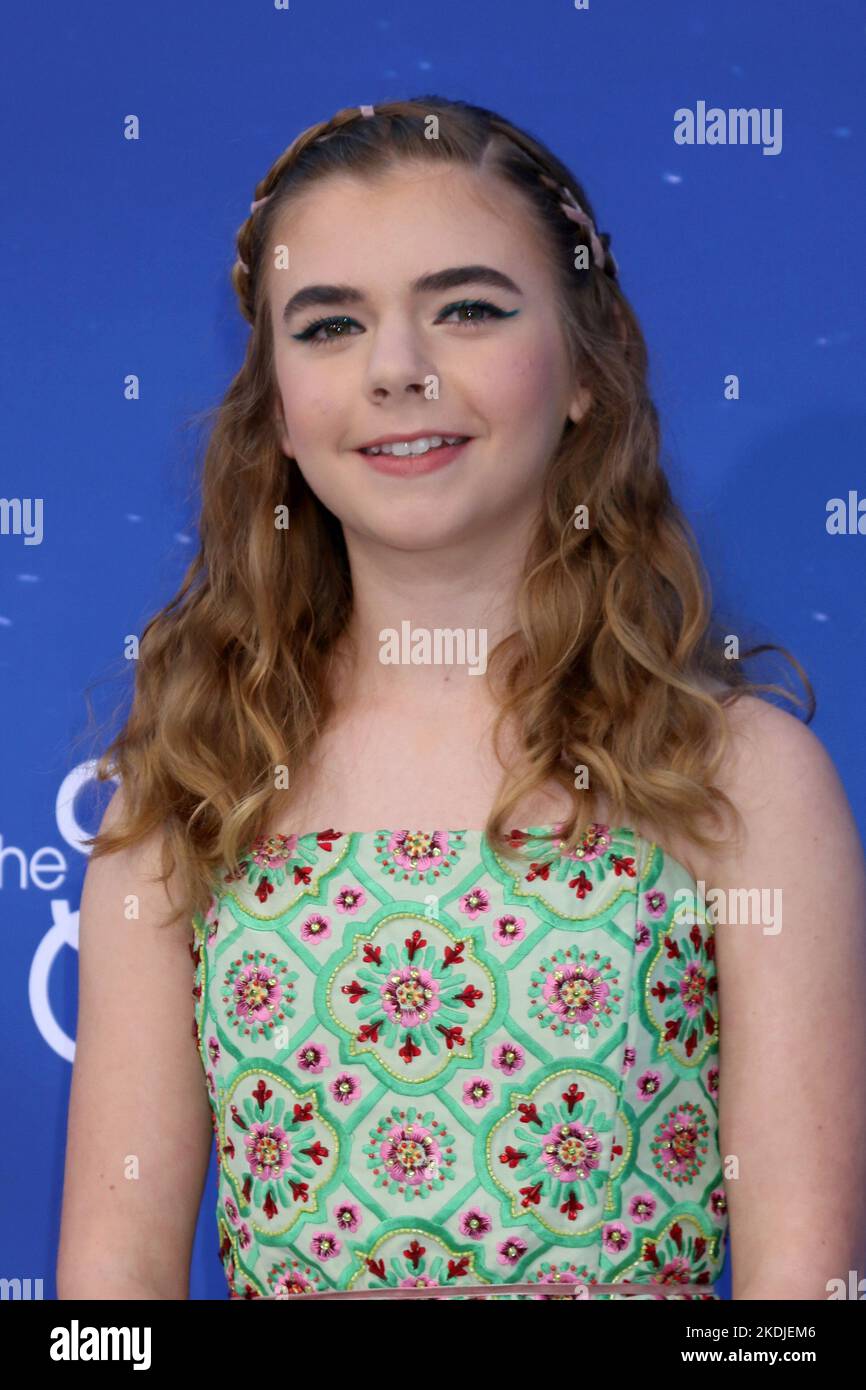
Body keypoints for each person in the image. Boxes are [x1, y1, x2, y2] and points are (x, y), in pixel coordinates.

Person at [57, 96, 866, 1301]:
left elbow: (797, 1310)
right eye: (329, 325)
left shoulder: (734, 776)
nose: (396, 370)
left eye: (468, 309)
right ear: (277, 406)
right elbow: (101, 1314)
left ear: (585, 367)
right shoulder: (194, 781)